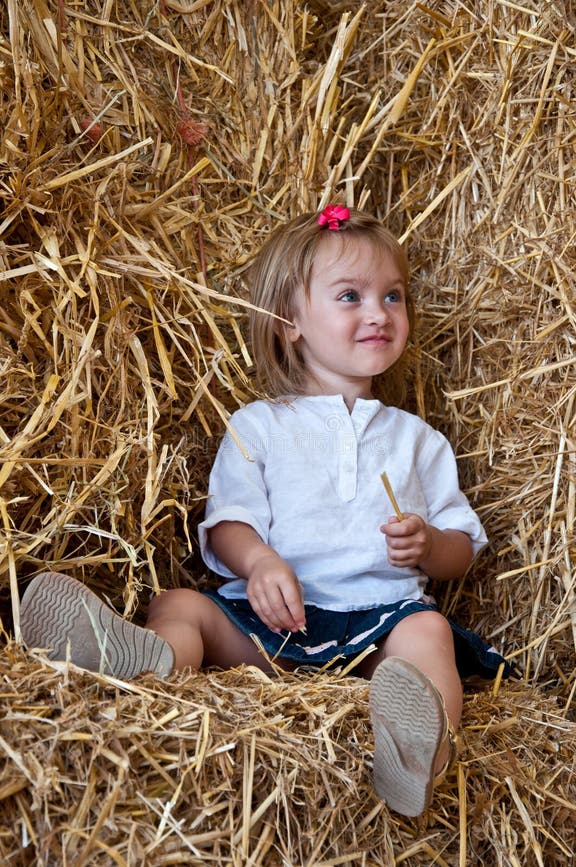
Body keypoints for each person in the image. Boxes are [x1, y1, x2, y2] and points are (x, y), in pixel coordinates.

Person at [20, 204, 509, 818]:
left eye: (394, 296)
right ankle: (147, 663)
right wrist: (259, 561)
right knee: (179, 605)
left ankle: (414, 752)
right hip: (270, 631)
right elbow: (228, 521)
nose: (379, 313)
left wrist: (429, 545)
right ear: (289, 323)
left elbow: (463, 549)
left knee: (429, 632)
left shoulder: (418, 440)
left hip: (380, 631)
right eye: (351, 296)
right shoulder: (259, 426)